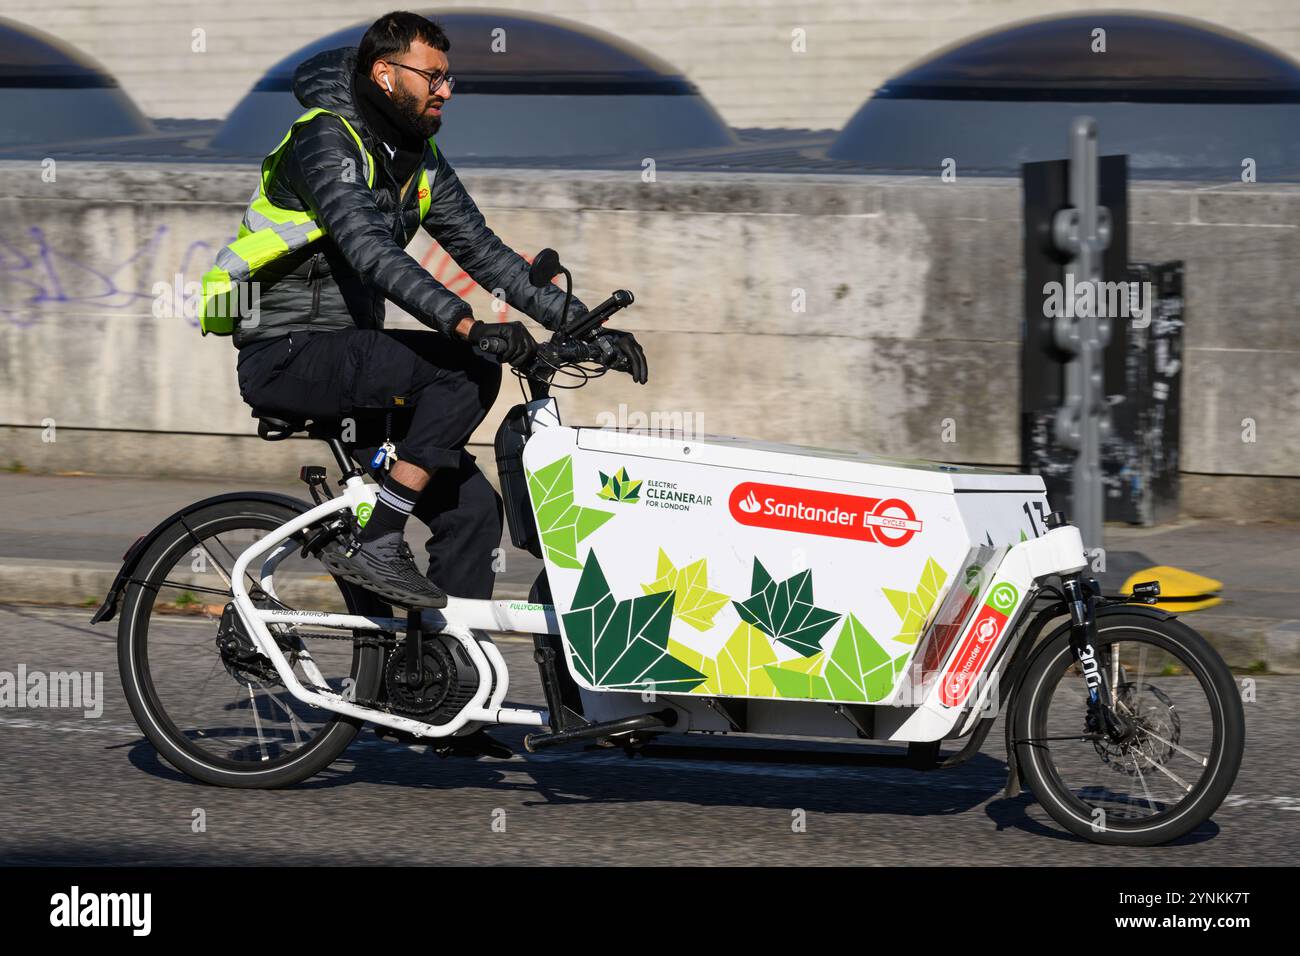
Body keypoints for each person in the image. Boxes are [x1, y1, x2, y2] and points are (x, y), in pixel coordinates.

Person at [217, 10, 647, 608]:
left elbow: (486, 254)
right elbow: (370, 252)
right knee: (465, 367)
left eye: (449, 78)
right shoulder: (324, 139)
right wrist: (469, 327)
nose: (446, 90)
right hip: (288, 351)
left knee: (473, 512)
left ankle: (435, 687)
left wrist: (585, 326)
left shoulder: (416, 157)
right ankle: (381, 539)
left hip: (354, 363)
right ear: (385, 74)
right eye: (434, 77)